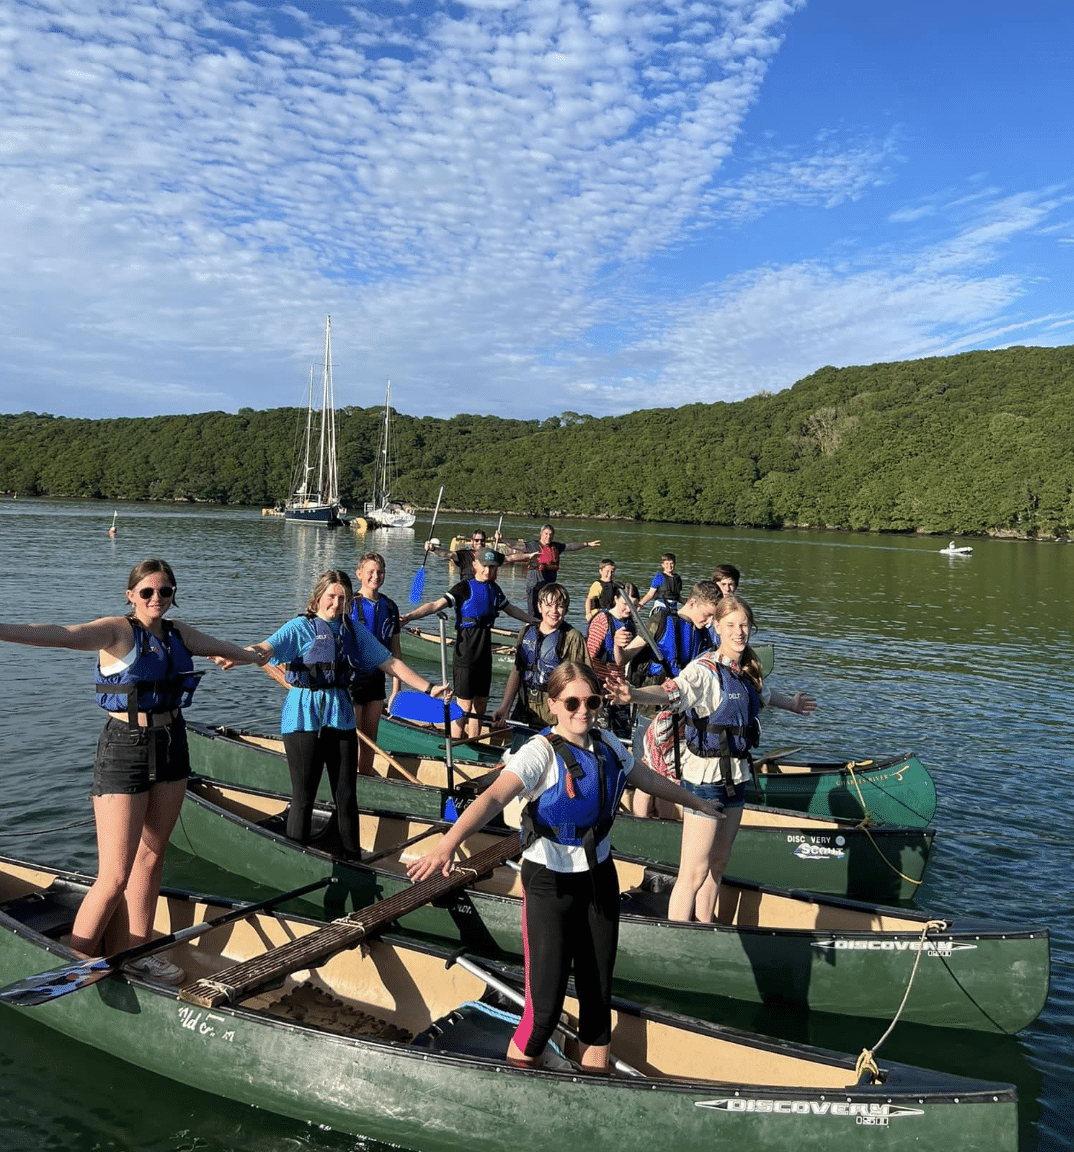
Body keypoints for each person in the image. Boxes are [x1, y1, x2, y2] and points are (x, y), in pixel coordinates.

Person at [406, 662, 721, 1071]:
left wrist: (694, 801)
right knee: (544, 1012)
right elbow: (494, 799)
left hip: (598, 880)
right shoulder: (539, 752)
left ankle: (594, 1088)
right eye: (571, 702)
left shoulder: (607, 743)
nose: (583, 710)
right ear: (553, 704)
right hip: (549, 884)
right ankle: (518, 1083)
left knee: (597, 1002)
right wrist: (448, 845)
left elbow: (644, 778)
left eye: (591, 701)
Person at [0, 558, 265, 983]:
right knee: (114, 875)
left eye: (165, 592)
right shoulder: (117, 631)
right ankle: (76, 963)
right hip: (125, 749)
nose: (156, 599)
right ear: (131, 596)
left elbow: (234, 650)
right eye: (147, 592)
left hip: (172, 746)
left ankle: (140, 951)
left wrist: (263, 656)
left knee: (152, 856)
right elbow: (62, 636)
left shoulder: (180, 634)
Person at [606, 595, 815, 923]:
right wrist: (633, 694)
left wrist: (794, 705)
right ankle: (677, 933)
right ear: (717, 628)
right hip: (704, 780)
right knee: (694, 870)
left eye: (744, 625)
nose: (739, 632)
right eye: (731, 625)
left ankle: (705, 926)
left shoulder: (747, 669)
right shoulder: (704, 670)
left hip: (736, 777)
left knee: (718, 865)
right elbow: (670, 691)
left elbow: (765, 695)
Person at [251, 569, 448, 858]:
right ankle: (295, 858)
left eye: (342, 598)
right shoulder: (299, 627)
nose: (336, 603)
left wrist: (429, 688)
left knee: (346, 796)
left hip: (340, 717)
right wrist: (236, 654)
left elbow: (390, 662)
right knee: (304, 797)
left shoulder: (353, 631)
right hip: (304, 718)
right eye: (331, 596)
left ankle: (351, 858)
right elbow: (263, 649)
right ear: (318, 598)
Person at [401, 547, 532, 738]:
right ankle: (455, 742)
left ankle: (474, 740)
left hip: (484, 653)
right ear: (475, 565)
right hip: (466, 652)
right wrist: (410, 616)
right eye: (485, 566)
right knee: (464, 705)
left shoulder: (494, 590)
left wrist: (533, 620)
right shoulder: (463, 588)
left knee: (480, 704)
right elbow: (435, 605)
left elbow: (511, 609)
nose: (488, 570)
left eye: (493, 567)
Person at [493, 583, 590, 728]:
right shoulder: (526, 633)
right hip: (525, 710)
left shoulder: (573, 637)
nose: (554, 611)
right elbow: (517, 671)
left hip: (556, 715)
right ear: (540, 607)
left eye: (559, 606)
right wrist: (505, 707)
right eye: (549, 605)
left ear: (566, 610)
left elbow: (583, 679)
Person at [349, 552, 402, 778]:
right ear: (359, 574)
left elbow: (395, 651)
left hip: (377, 679)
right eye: (370, 571)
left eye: (379, 572)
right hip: (352, 679)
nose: (375, 576)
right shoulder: (349, 604)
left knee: (370, 737)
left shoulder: (390, 607)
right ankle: (348, 777)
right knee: (352, 736)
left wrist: (396, 689)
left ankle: (366, 773)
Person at [585, 581, 641, 739]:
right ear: (616, 599)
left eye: (634, 605)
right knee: (601, 732)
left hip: (619, 684)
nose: (629, 609)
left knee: (623, 733)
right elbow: (588, 655)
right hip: (600, 683)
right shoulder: (602, 620)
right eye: (625, 604)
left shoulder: (629, 622)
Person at [522, 524, 601, 618]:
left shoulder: (556, 547)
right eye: (546, 534)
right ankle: (531, 625)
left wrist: (587, 544)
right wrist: (503, 540)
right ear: (541, 534)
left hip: (548, 585)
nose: (548, 536)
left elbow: (571, 547)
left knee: (548, 608)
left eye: (550, 534)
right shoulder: (533, 546)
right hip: (535, 583)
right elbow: (517, 545)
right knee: (534, 611)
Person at [425, 529, 529, 582]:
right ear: (472, 541)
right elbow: (448, 554)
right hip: (468, 587)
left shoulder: (489, 555)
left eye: (482, 540)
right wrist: (434, 549)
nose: (480, 542)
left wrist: (529, 556)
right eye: (477, 540)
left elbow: (510, 558)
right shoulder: (465, 555)